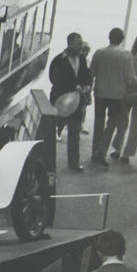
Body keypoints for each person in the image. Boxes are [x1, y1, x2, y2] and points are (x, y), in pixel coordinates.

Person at [88, 28, 134, 166]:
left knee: (99, 122)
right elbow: (129, 78)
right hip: (117, 95)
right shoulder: (126, 55)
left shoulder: (99, 52)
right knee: (112, 123)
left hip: (100, 93)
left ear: (109, 37)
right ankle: (102, 151)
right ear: (122, 40)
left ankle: (94, 151)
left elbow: (92, 73)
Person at [49, 32, 93, 172]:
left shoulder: (82, 59)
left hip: (77, 102)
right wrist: (73, 87)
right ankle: (49, 164)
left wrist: (86, 86)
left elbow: (86, 75)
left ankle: (74, 163)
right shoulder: (59, 60)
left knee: (74, 133)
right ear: (70, 43)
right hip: (60, 102)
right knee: (52, 132)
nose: (81, 46)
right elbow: (54, 79)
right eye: (78, 43)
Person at [112, 32, 137, 165]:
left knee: (122, 122)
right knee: (136, 125)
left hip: (127, 92)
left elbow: (125, 75)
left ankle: (117, 149)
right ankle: (126, 154)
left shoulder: (130, 55)